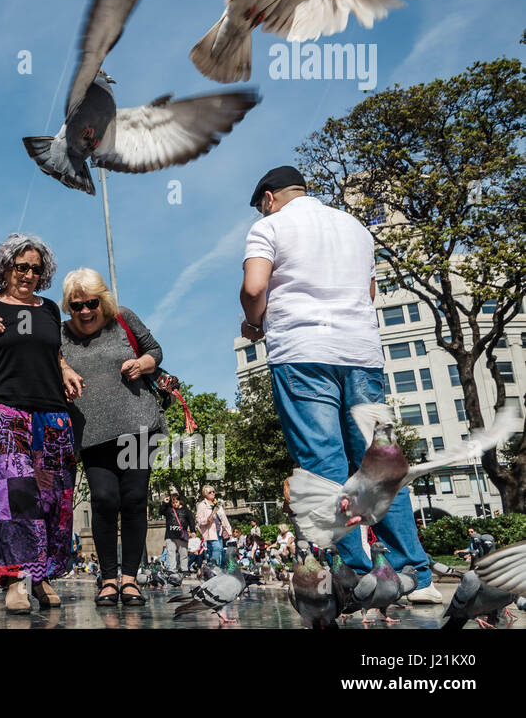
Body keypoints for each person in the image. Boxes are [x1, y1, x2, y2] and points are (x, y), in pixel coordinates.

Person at [239, 165, 439, 603]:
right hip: (362, 354)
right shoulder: (357, 229)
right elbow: (367, 294)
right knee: (379, 465)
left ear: (268, 198)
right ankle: (415, 574)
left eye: (259, 206)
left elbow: (255, 289)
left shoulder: (268, 227)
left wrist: (255, 323)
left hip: (303, 353)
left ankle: (358, 572)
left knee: (322, 463)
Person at [0, 232, 81, 614]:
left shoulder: (50, 309)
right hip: (5, 411)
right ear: (5, 268)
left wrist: (67, 368)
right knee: (16, 491)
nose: (28, 274)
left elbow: (53, 354)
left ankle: (42, 576)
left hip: (53, 412)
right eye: (21, 266)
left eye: (36, 269)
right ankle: (14, 578)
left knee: (56, 497)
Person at [58, 266, 163, 607]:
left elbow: (155, 352)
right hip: (91, 433)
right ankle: (107, 579)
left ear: (102, 300)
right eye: (77, 305)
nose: (85, 311)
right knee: (104, 500)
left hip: (136, 426)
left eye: (91, 303)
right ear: (68, 306)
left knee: (133, 499)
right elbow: (49, 362)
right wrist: (63, 369)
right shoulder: (60, 335)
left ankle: (130, 579)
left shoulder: (123, 318)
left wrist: (141, 364)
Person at [195, 486, 232, 566]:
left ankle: (218, 569)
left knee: (219, 550)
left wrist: (229, 530)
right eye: (210, 492)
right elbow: (199, 519)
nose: (212, 493)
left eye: (213, 491)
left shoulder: (217, 504)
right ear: (205, 494)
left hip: (220, 531)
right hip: (210, 531)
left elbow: (224, 518)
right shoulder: (202, 505)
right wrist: (207, 520)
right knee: (217, 548)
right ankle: (213, 567)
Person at [160, 493, 195, 575]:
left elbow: (191, 521)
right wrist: (165, 503)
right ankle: (172, 569)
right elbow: (160, 512)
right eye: (173, 502)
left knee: (183, 553)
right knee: (170, 553)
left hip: (181, 535)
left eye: (176, 502)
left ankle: (184, 569)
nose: (175, 504)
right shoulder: (168, 509)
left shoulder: (186, 510)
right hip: (170, 535)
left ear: (180, 501)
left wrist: (193, 531)